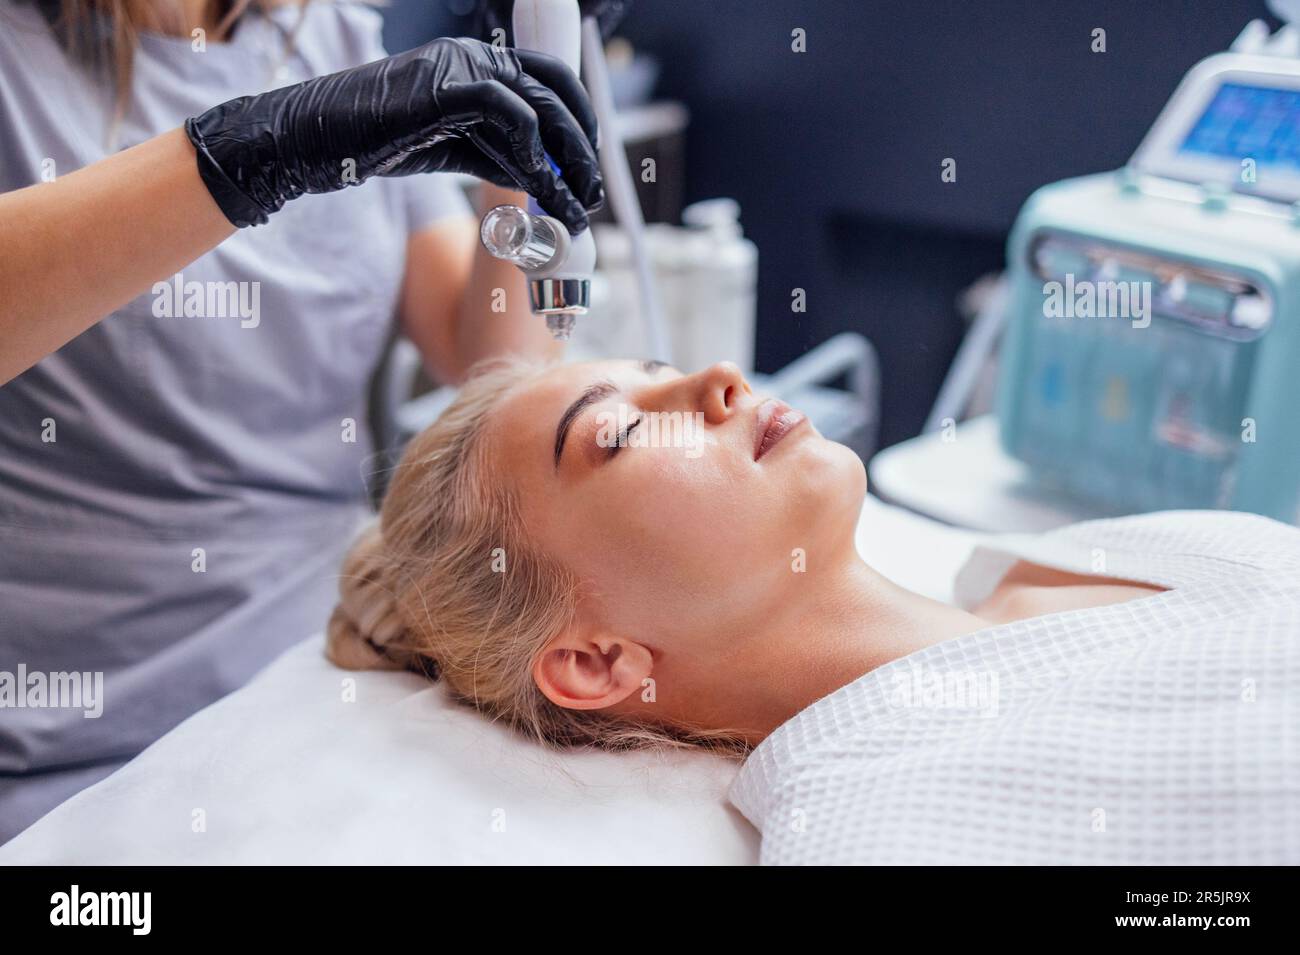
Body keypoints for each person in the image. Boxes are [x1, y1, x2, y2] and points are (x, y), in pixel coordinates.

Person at [0, 0, 609, 843]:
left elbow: (486, 368)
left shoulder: (330, 36)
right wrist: (252, 155)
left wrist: (526, 115)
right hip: (79, 733)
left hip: (333, 676)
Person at [328, 357, 1300, 755]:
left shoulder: (1067, 557)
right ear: (595, 660)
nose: (716, 375)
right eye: (618, 434)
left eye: (659, 372)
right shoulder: (879, 817)